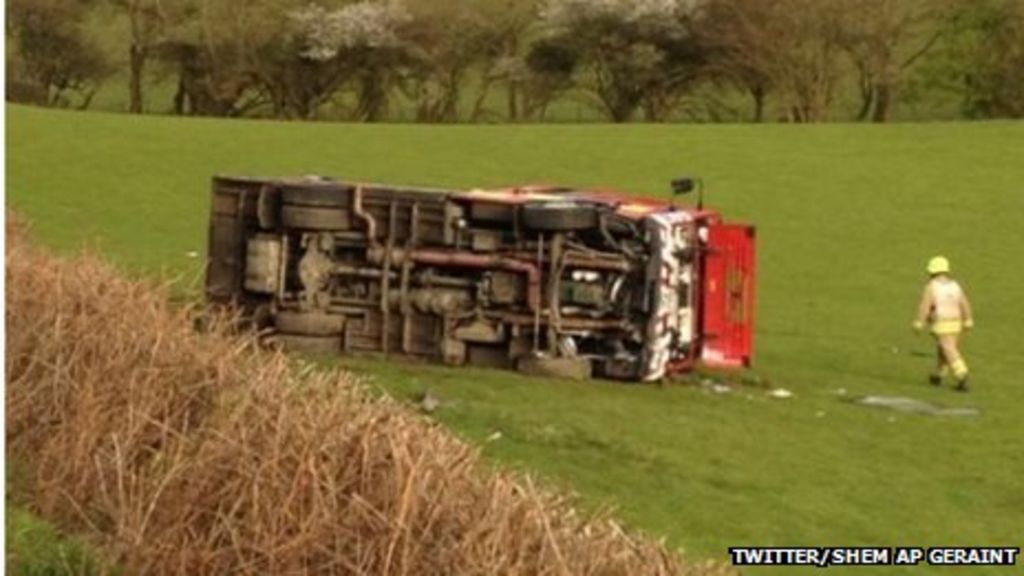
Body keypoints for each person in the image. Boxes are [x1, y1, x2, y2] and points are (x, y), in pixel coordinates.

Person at [914, 256, 974, 391]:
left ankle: (961, 374)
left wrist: (919, 322)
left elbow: (925, 305)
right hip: (956, 321)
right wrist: (968, 319)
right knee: (944, 348)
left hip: (941, 322)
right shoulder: (955, 286)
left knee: (948, 348)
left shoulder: (931, 287)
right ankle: (939, 374)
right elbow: (964, 303)